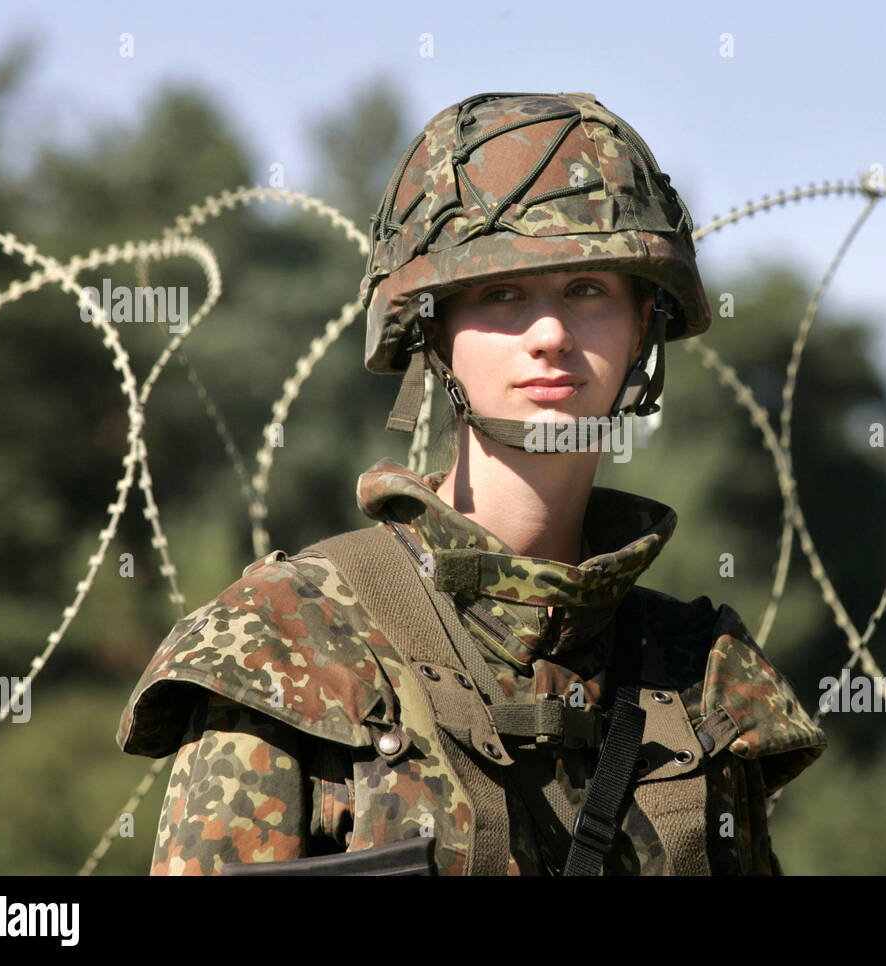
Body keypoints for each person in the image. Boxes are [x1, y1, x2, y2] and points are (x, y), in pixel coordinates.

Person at [117, 91, 827, 875]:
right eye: (502, 294)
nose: (550, 335)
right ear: (434, 330)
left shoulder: (703, 678)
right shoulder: (292, 645)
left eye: (588, 290)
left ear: (641, 328)